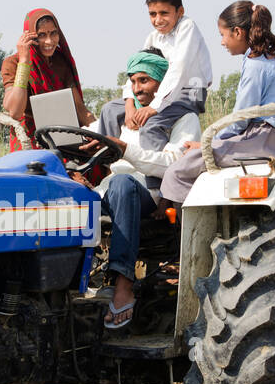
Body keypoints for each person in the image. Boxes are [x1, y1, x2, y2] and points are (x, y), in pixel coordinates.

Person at [79, 49, 200, 329]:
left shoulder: (182, 118)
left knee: (123, 184)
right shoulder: (121, 112)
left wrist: (125, 149)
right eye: (133, 81)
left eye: (144, 81)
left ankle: (122, 284)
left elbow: (174, 165)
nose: (137, 89)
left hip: (149, 193)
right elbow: (91, 131)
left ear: (163, 81)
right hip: (109, 191)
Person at [160, 0, 275, 206]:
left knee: (178, 171)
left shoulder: (255, 65)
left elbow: (240, 120)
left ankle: (187, 232)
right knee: (194, 159)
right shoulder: (271, 58)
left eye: (223, 35)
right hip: (271, 140)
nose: (222, 42)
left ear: (238, 32)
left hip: (259, 140)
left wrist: (207, 142)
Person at [97, 0, 214, 150]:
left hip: (189, 93)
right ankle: (104, 166)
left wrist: (153, 107)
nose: (158, 20)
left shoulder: (187, 27)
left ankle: (155, 174)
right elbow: (138, 69)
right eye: (153, 14)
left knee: (151, 123)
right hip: (159, 94)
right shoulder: (154, 37)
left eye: (164, 13)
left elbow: (178, 68)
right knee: (109, 110)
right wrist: (130, 104)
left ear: (180, 11)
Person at [0, 7, 94, 151]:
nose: (49, 41)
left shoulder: (61, 62)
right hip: (30, 142)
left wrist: (98, 131)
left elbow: (80, 109)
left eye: (53, 33)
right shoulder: (13, 63)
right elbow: (15, 112)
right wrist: (25, 61)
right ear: (29, 36)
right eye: (41, 35)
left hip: (62, 137)